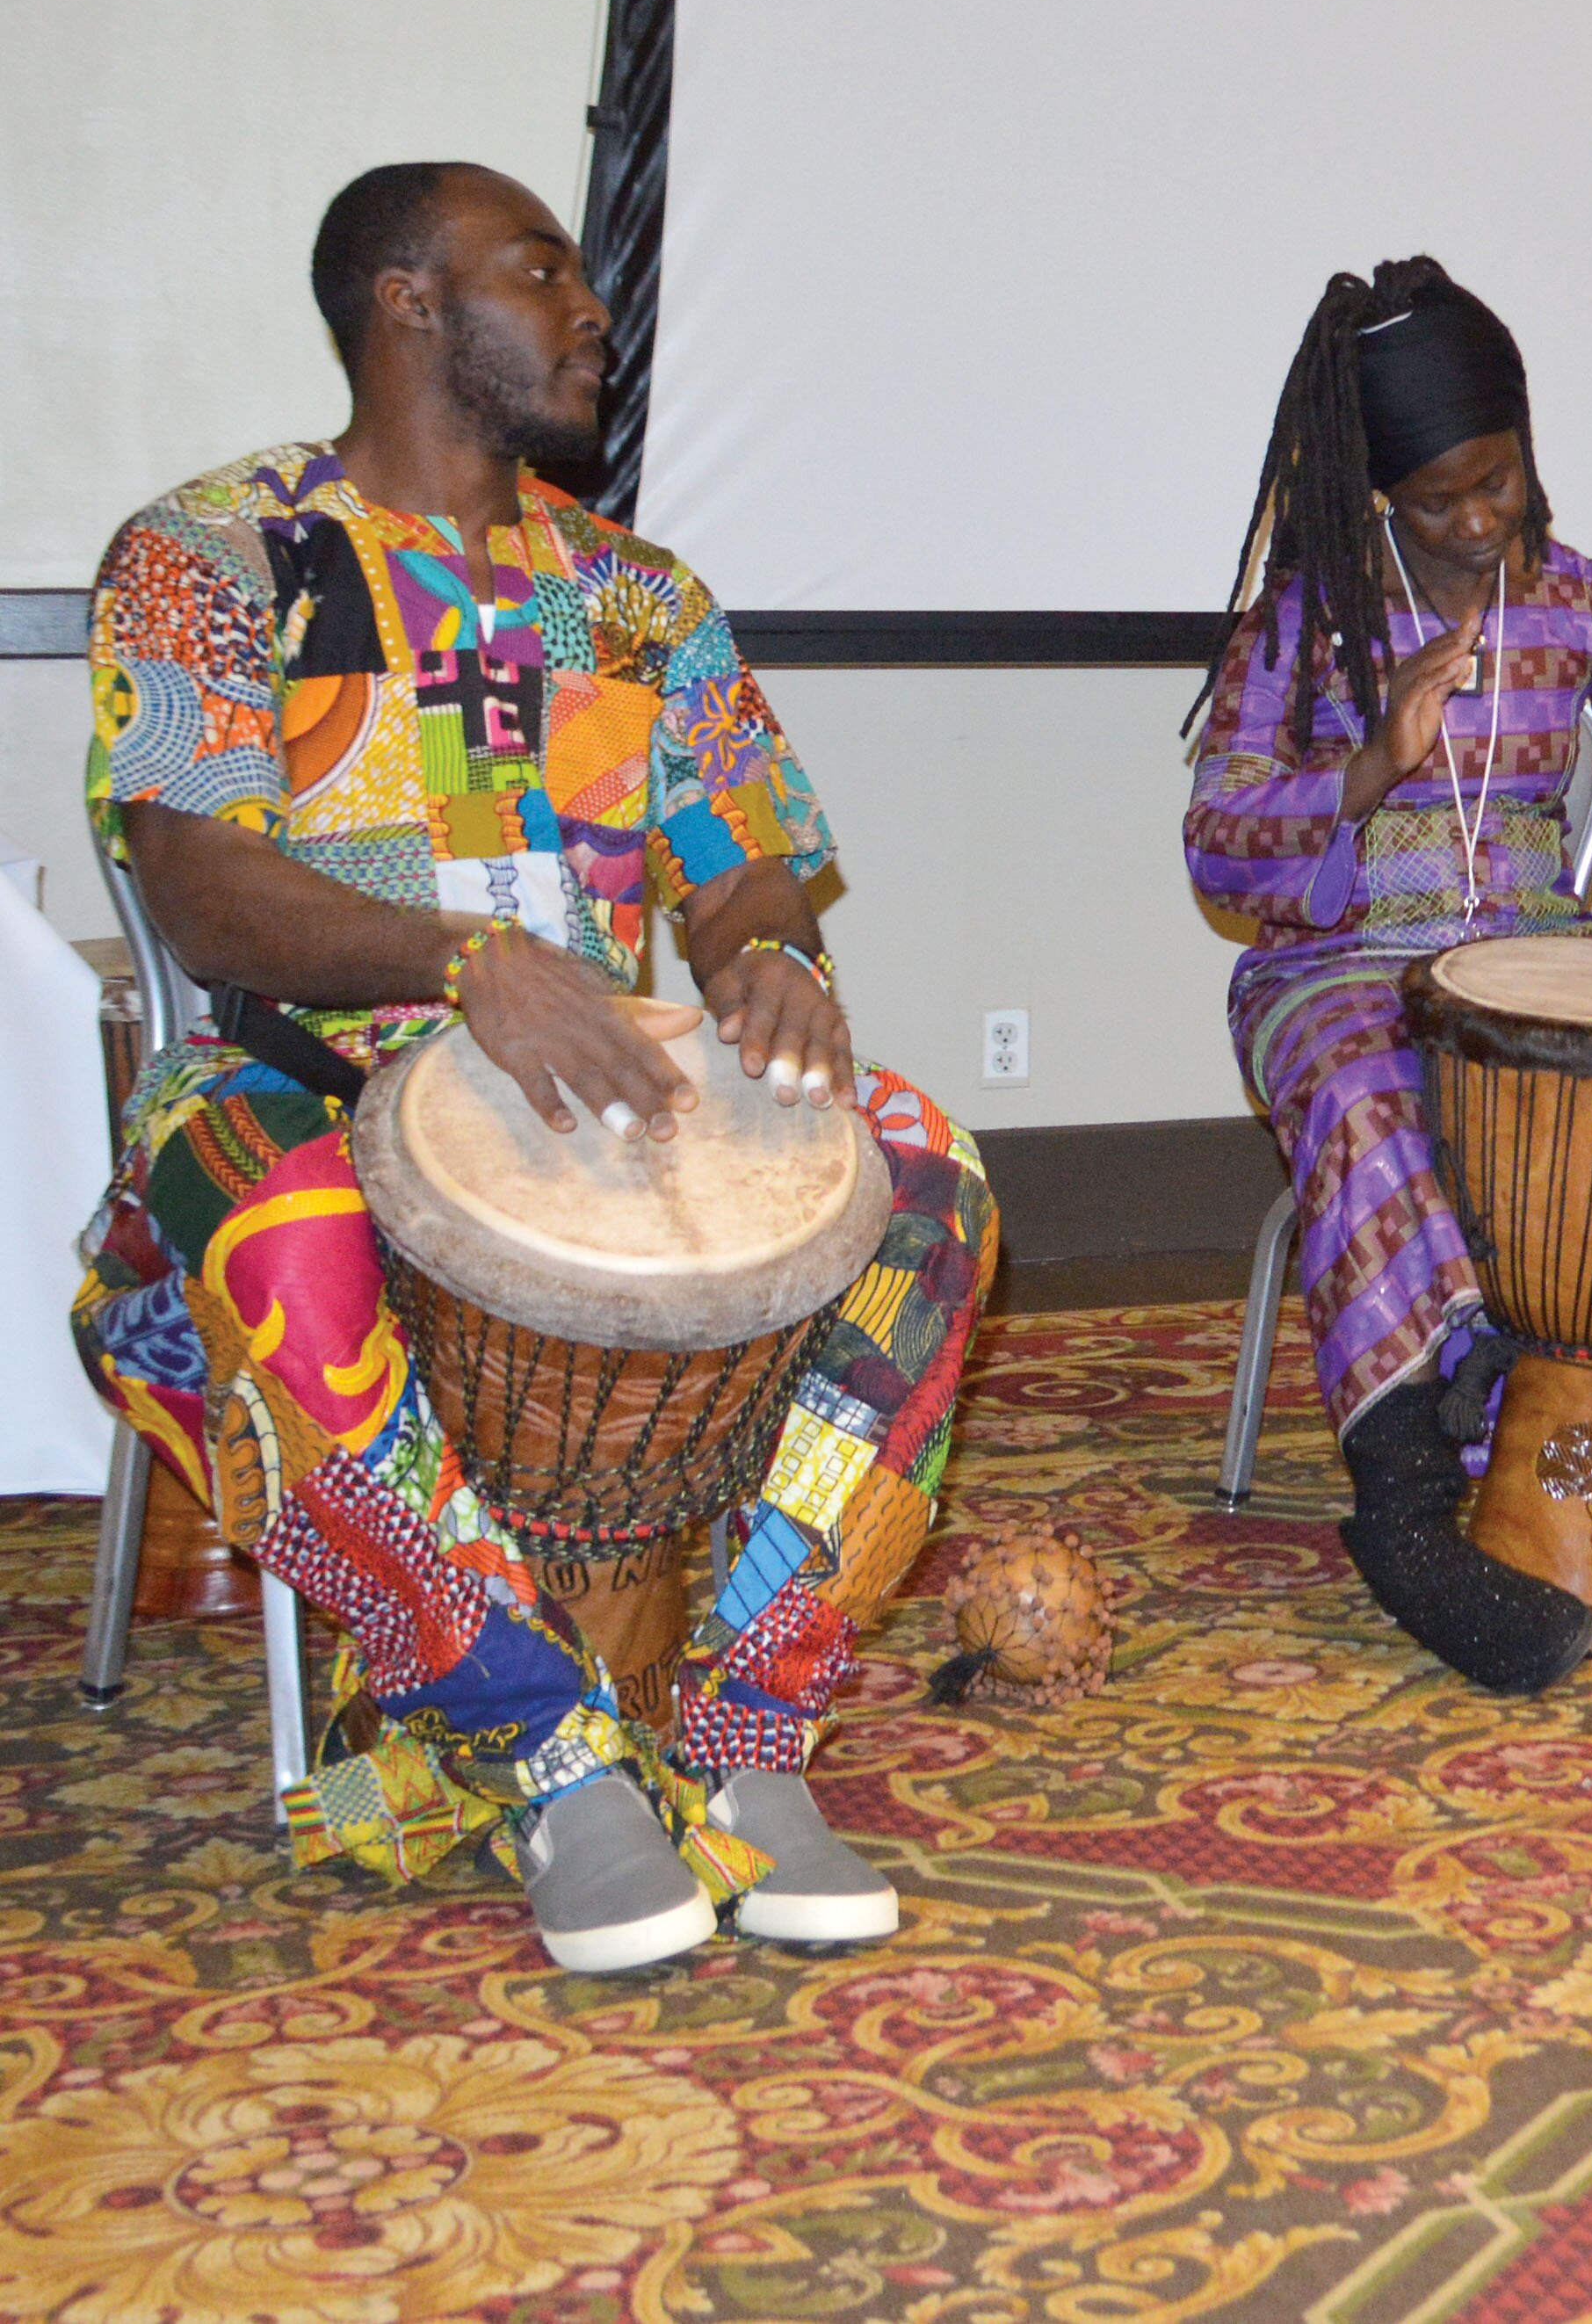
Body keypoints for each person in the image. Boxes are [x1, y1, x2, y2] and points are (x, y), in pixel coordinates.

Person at [73, 163, 994, 1975]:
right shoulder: (212, 554)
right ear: (410, 300)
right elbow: (198, 881)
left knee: (927, 1169)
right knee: (281, 1201)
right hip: (301, 1074)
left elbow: (744, 863)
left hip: (595, 1098)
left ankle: (745, 1734)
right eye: (543, 266)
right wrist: (457, 959)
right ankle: (553, 1756)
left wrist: (771, 958)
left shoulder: (637, 596)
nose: (592, 307)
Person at [1183, 258, 1592, 1694]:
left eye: (1503, 481)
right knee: (1370, 1098)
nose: (1481, 519)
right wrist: (1367, 768)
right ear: (1378, 496)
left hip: (1537, 951)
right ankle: (1412, 1522)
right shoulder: (1302, 624)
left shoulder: (1587, 604)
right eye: (1441, 499)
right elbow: (1221, 846)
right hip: (1338, 966)